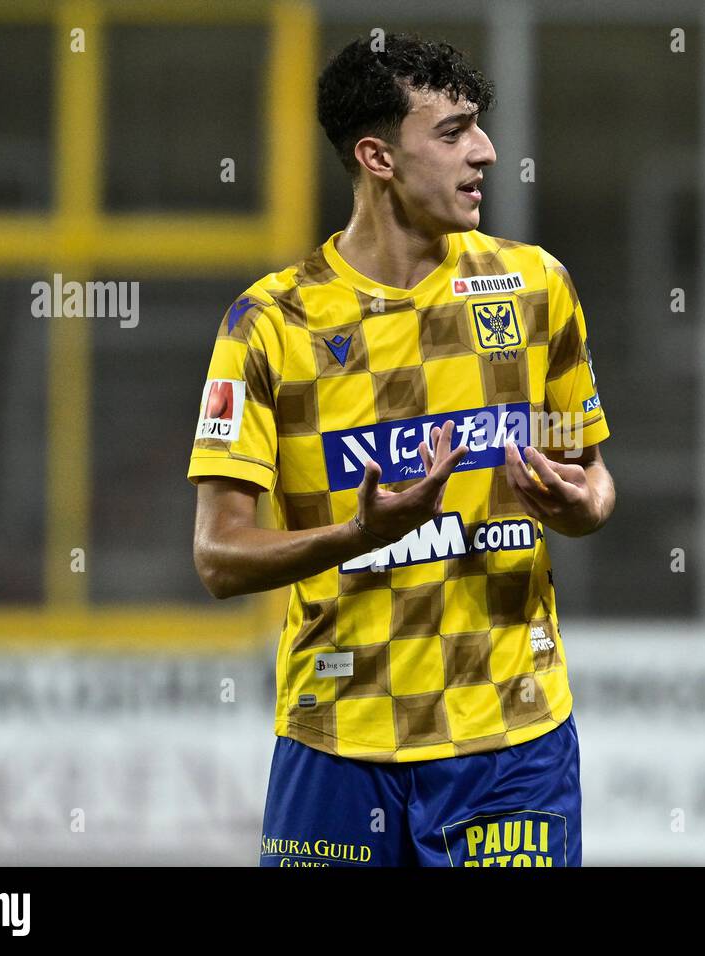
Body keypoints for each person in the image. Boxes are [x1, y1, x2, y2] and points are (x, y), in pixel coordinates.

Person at [187, 33, 615, 867]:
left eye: (478, 128)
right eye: (452, 134)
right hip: (339, 741)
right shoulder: (268, 325)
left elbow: (595, 478)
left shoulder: (533, 288)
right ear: (377, 156)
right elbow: (217, 556)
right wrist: (357, 535)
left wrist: (584, 504)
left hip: (511, 741)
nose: (485, 152)